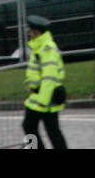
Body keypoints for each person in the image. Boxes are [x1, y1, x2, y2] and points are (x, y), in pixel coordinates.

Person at [23, 15, 68, 149]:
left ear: (36, 32)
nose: (29, 33)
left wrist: (43, 100)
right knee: (50, 130)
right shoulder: (40, 47)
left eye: (30, 31)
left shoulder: (47, 49)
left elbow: (49, 77)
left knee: (35, 128)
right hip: (39, 97)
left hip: (43, 98)